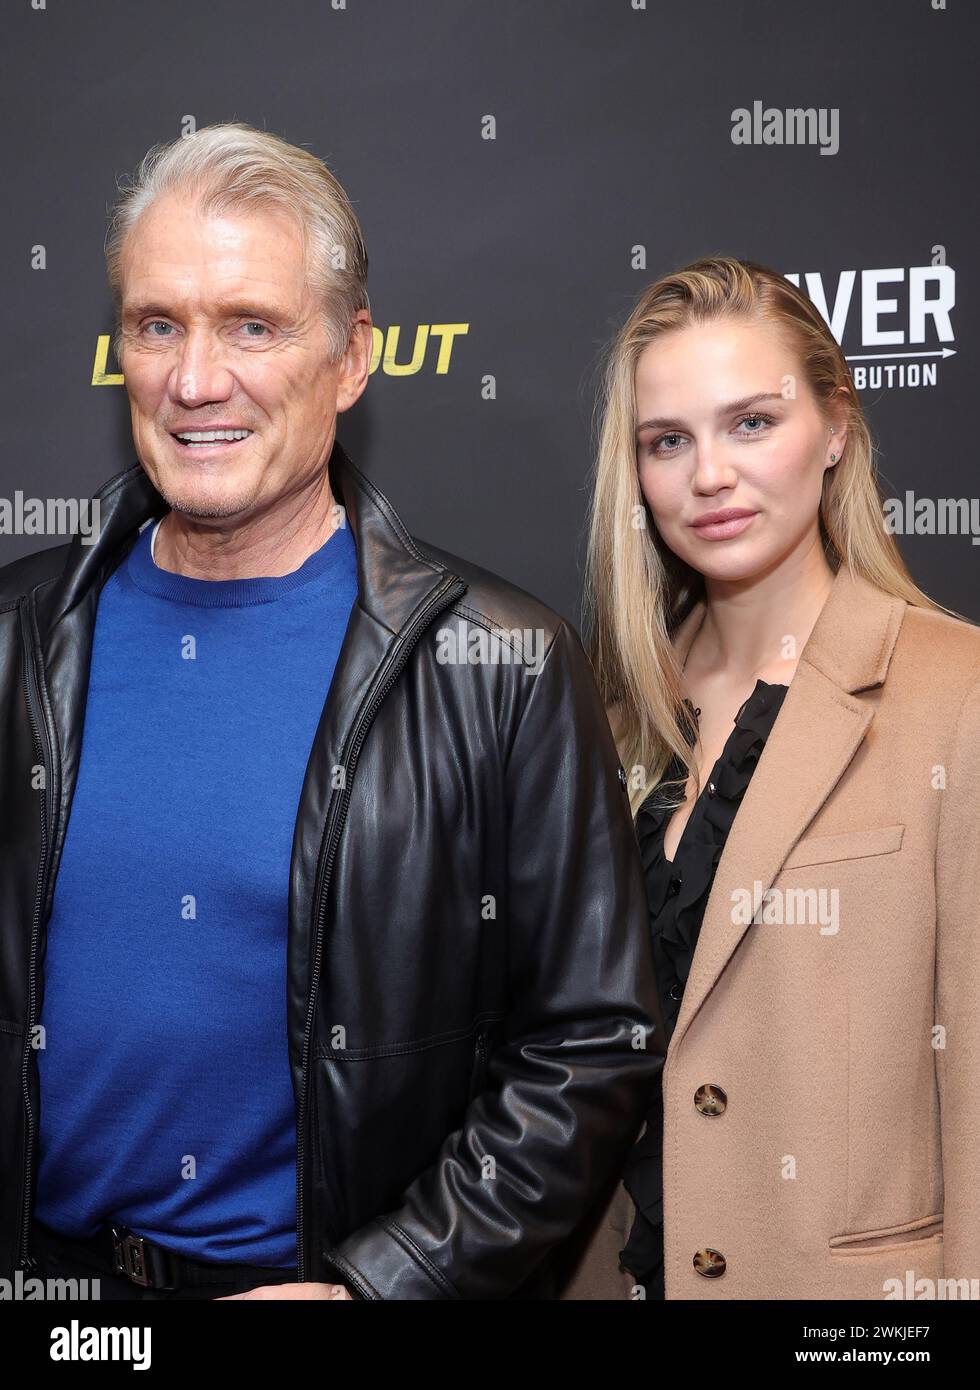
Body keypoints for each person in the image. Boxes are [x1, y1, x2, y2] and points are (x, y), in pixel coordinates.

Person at [0, 122, 664, 1300]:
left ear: (353, 358)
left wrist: (379, 1287)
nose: (195, 379)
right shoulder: (17, 638)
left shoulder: (500, 663)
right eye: (159, 324)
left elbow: (585, 1044)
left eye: (252, 325)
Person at [573, 256, 980, 1299]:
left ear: (835, 428)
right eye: (668, 440)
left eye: (750, 422)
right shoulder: (612, 721)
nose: (707, 474)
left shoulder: (954, 693)